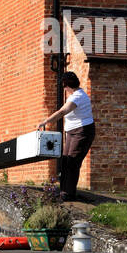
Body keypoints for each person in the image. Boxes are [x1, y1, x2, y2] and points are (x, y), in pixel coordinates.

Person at [38, 71, 95, 201]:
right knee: (65, 160)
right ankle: (64, 191)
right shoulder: (74, 95)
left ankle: (68, 194)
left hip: (82, 132)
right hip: (71, 132)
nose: (64, 89)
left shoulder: (78, 97)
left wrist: (45, 121)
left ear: (67, 86)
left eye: (64, 86)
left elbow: (62, 111)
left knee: (73, 161)